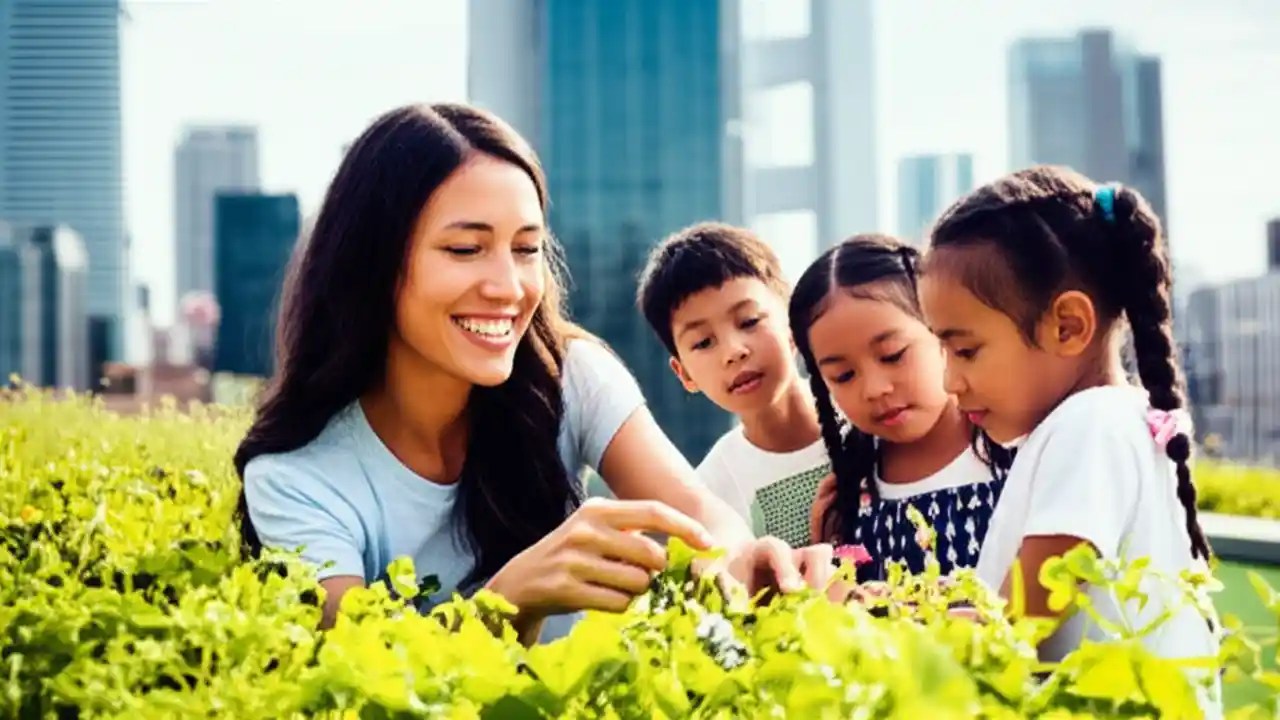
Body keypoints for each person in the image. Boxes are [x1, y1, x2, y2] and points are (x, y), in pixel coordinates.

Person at [233, 103, 831, 645]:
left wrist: (744, 562)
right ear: (373, 265)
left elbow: (699, 516)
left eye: (525, 249)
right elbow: (357, 675)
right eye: (466, 250)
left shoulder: (569, 374)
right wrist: (508, 601)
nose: (509, 288)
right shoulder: (297, 478)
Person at [917, 165, 1221, 712]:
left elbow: (1011, 632)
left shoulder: (1089, 427)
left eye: (965, 351)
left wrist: (876, 631)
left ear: (1068, 326)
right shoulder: (1109, 421)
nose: (948, 381)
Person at [789, 234, 1011, 583]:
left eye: (893, 355)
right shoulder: (848, 498)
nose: (875, 389)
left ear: (940, 329)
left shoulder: (1016, 448)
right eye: (844, 375)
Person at [636, 222, 828, 548]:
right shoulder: (710, 490)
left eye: (749, 321)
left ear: (792, 322)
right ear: (684, 375)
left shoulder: (867, 416)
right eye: (703, 343)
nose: (733, 351)